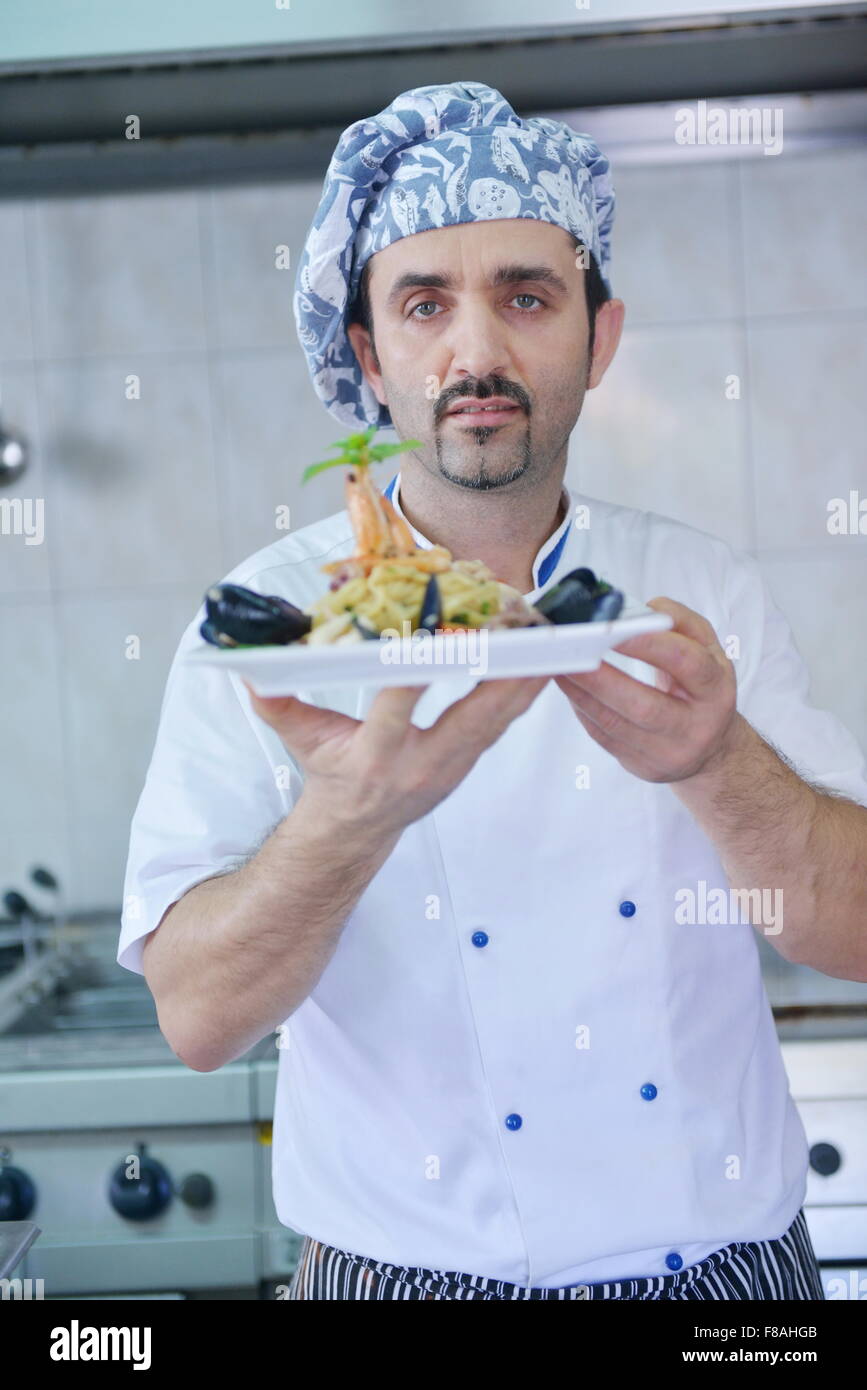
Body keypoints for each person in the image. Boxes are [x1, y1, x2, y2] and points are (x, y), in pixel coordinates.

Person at [118, 81, 867, 1300]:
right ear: (369, 353)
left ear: (599, 338)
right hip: (401, 1275)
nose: (478, 353)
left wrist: (717, 767)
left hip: (724, 1280)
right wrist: (348, 814)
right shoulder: (270, 627)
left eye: (528, 296)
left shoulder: (693, 590)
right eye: (425, 306)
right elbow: (198, 1021)